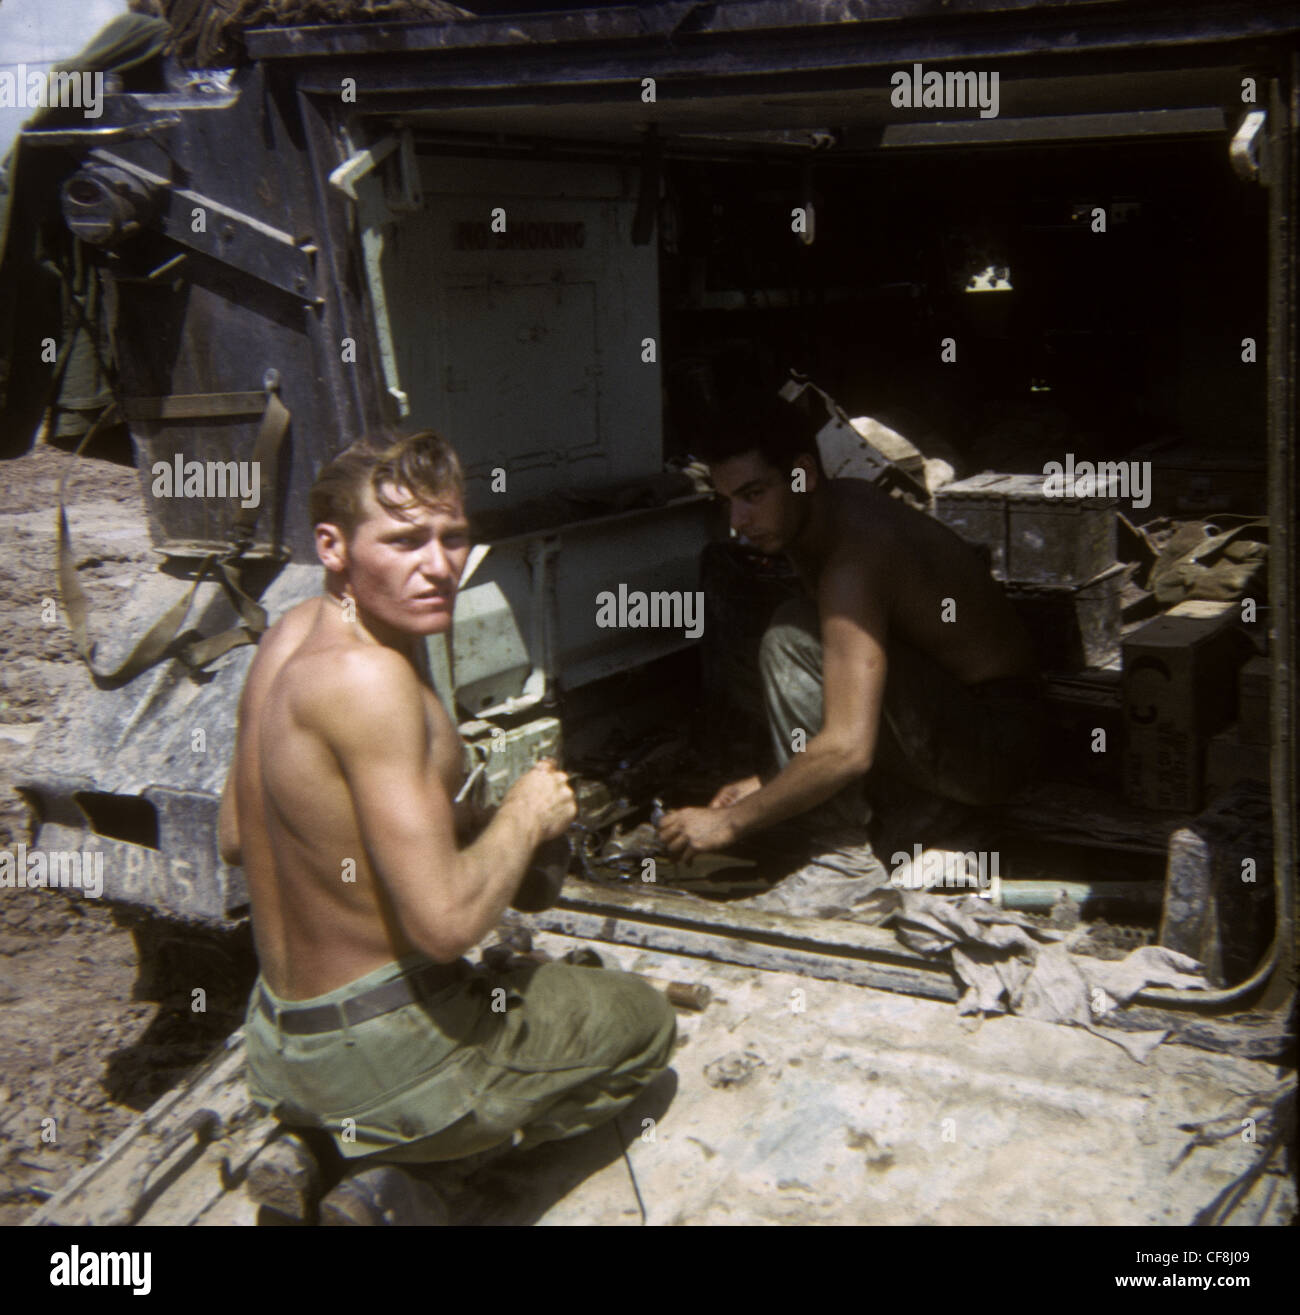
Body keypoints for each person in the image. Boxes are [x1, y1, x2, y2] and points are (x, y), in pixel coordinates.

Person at [218, 430, 675, 1208]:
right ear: (333, 545)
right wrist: (526, 817)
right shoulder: (374, 681)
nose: (438, 565)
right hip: (390, 1058)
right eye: (403, 541)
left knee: (524, 990)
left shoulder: (288, 637)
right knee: (643, 1024)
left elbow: (233, 839)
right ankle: (425, 1180)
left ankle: (318, 1146)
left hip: (280, 1041)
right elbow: (445, 925)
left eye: (452, 536)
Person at [657, 404, 1042, 916]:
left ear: (804, 474)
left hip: (994, 744)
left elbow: (848, 748)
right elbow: (859, 687)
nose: (738, 522)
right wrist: (772, 779)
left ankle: (842, 867)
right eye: (728, 501)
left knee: (792, 637)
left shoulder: (853, 563)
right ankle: (937, 823)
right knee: (801, 634)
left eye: (753, 495)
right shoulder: (828, 511)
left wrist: (732, 821)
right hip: (957, 722)